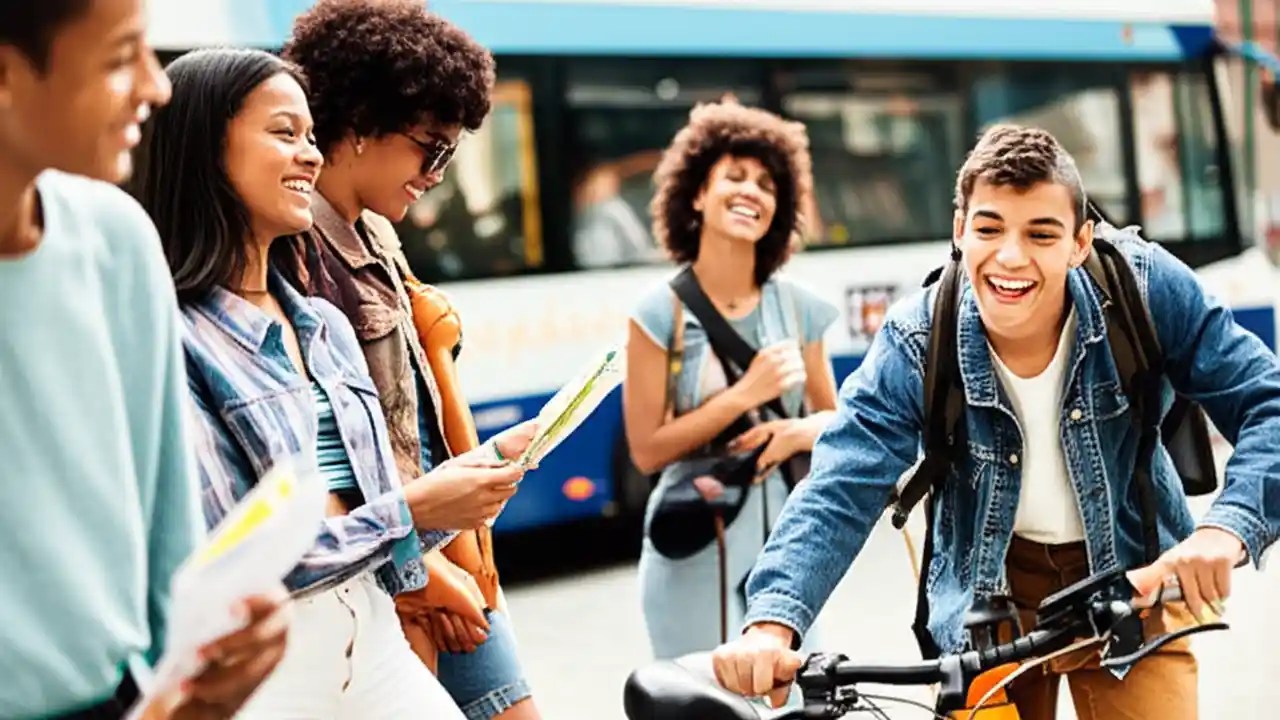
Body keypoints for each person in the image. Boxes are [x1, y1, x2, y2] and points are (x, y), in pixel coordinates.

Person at [711, 125, 1280, 718]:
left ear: (1081, 242)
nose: (1011, 256)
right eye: (988, 228)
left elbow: (1268, 404)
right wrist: (773, 622)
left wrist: (1226, 530)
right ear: (959, 230)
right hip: (989, 597)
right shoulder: (918, 337)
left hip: (1134, 579)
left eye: (1041, 232)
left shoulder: (1145, 287)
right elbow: (840, 483)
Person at [132, 47, 529, 719]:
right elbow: (242, 564)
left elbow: (373, 515)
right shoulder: (170, 341)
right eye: (285, 133)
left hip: (374, 641)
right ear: (204, 145)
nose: (312, 156)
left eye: (312, 136)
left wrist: (472, 485)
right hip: (270, 673)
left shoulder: (323, 325)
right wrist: (420, 510)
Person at [0, 2, 290, 718]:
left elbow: (171, 547)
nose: (155, 87)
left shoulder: (118, 243)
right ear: (5, 76)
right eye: (119, 56)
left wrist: (211, 663)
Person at [280, 2, 541, 718]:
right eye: (433, 148)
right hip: (387, 567)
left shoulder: (377, 235)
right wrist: (417, 568)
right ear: (361, 121)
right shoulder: (289, 251)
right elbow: (309, 452)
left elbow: (410, 420)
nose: (438, 174)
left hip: (441, 541)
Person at [622, 100, 839, 668]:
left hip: (791, 557)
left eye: (767, 184)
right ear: (696, 194)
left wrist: (796, 433)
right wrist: (745, 394)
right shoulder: (656, 313)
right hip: (695, 550)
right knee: (702, 704)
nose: (752, 192)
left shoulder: (801, 309)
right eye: (735, 177)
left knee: (798, 698)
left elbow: (838, 426)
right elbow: (646, 449)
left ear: (779, 209)